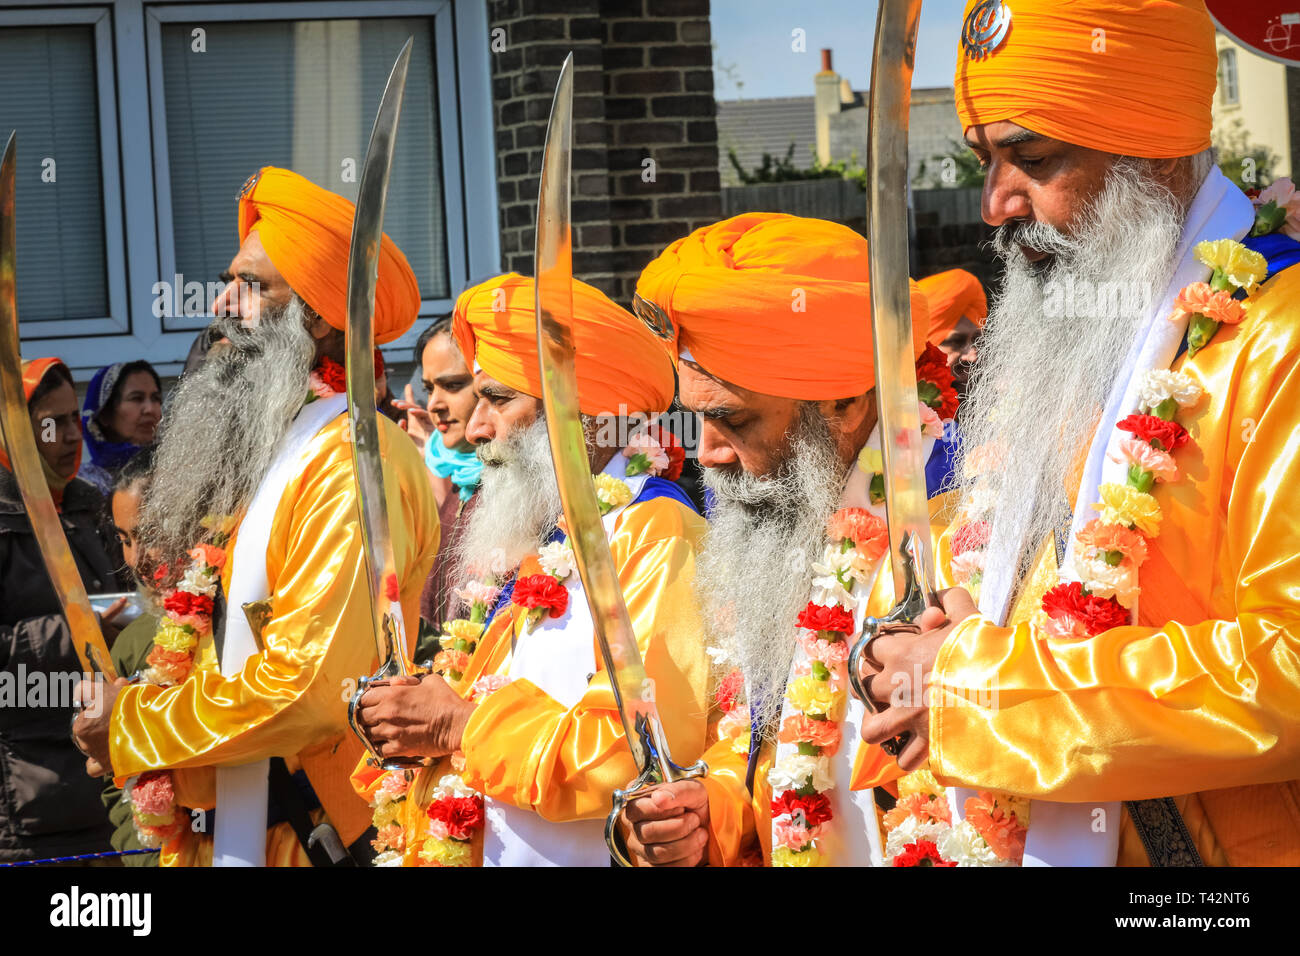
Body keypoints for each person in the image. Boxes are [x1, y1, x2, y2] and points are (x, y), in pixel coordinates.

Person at [853, 0, 1300, 866]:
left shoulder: (1276, 342)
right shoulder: (1065, 342)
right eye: (986, 163)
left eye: (1035, 159)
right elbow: (991, 604)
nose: (995, 205)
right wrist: (907, 652)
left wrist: (982, 689)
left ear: (1155, 151)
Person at [71, 166, 441, 867]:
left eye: (253, 286)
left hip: (308, 838)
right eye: (227, 280)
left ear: (324, 316)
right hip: (217, 830)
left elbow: (307, 692)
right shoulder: (275, 448)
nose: (222, 304)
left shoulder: (358, 460)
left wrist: (134, 725)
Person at [611, 212, 952, 866]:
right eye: (695, 420)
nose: (705, 455)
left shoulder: (962, 519)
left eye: (730, 420)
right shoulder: (788, 525)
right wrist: (708, 812)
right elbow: (774, 750)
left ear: (848, 404)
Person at [351, 272, 709, 867]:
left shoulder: (653, 531)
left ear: (584, 413)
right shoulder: (548, 537)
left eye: (498, 399)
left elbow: (638, 754)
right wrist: (408, 721)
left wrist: (460, 725)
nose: (474, 430)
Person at [1, 357, 122, 864]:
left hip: (110, 776)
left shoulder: (87, 502)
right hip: (30, 794)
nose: (73, 434)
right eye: (54, 421)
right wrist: (76, 630)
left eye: (76, 418)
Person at [392, 316, 483, 647]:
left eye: (453, 385)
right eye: (429, 388)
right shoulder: (459, 470)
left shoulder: (515, 483)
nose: (434, 405)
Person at [99, 447, 162, 866]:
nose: (136, 559)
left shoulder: (243, 623)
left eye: (149, 534)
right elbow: (114, 781)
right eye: (125, 539)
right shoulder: (132, 642)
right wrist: (144, 855)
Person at [79, 361, 163, 495]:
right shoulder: (83, 484)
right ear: (105, 414)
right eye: (136, 398)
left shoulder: (175, 472)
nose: (150, 409)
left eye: (156, 398)